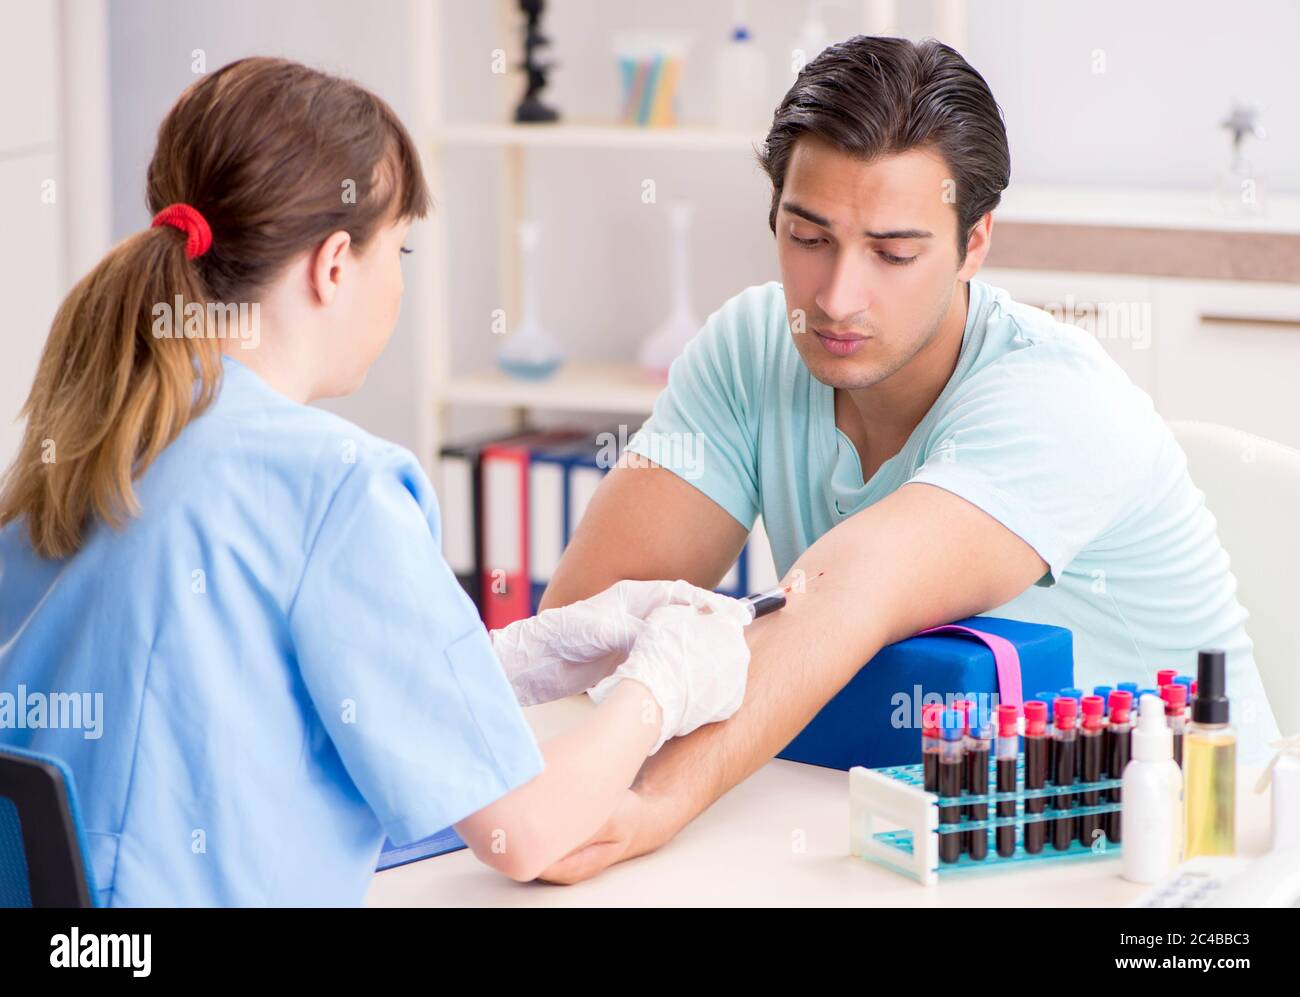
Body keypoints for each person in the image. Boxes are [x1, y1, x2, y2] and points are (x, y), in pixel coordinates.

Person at [0, 56, 751, 907]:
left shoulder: (91, 448)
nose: (398, 278)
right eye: (399, 248)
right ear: (331, 265)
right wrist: (663, 685)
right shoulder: (334, 485)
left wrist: (511, 661)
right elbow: (528, 832)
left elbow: (242, 691)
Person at [535, 34, 1280, 883]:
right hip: (928, 813)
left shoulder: (1055, 399)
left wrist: (652, 803)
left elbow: (839, 603)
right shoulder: (753, 345)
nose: (838, 297)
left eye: (894, 253)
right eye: (808, 237)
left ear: (973, 244)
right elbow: (583, 634)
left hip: (1191, 840)